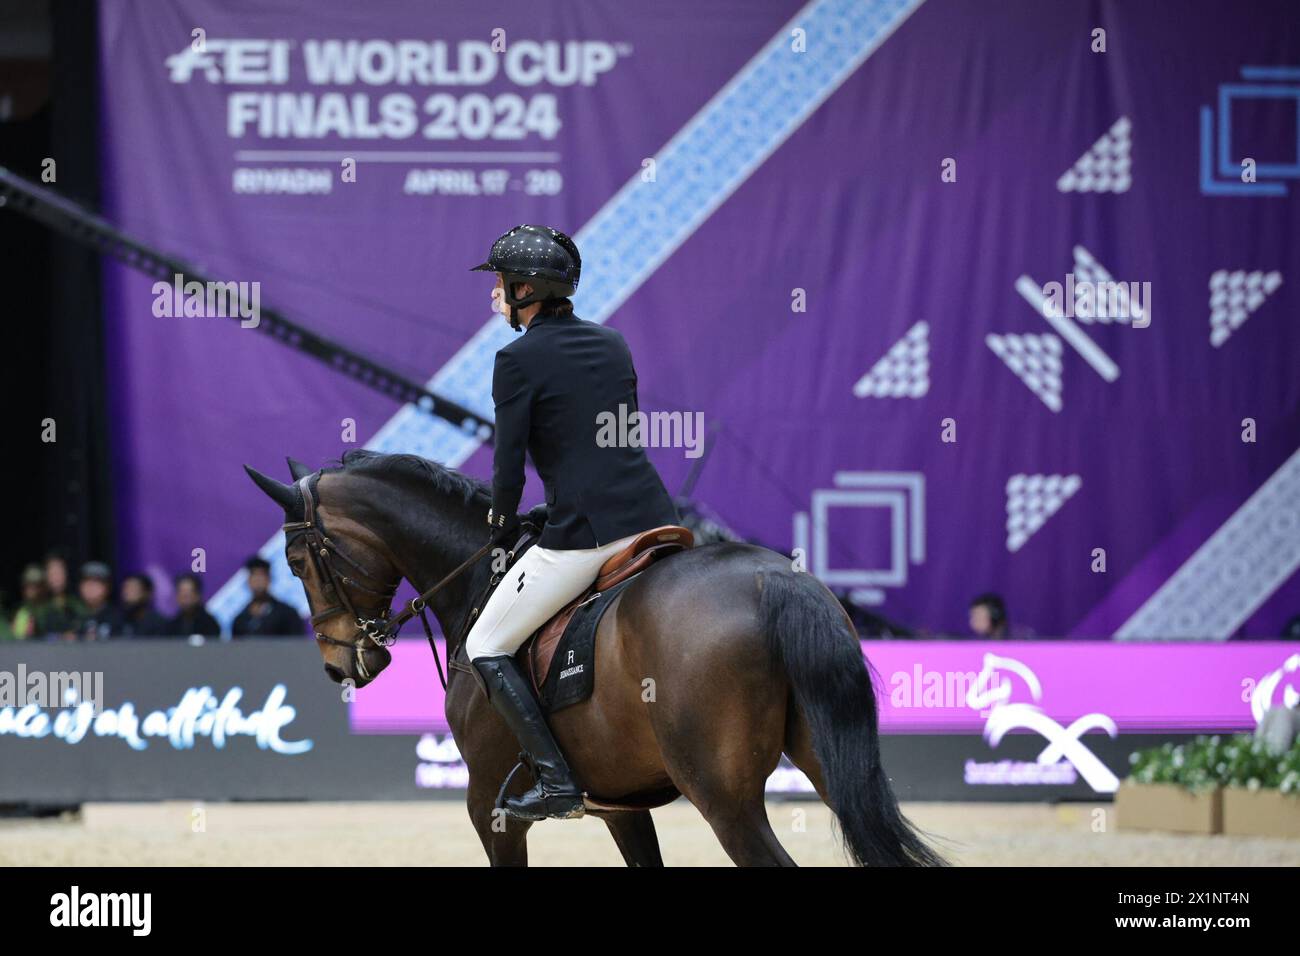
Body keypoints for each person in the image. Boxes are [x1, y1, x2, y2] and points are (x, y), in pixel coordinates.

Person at [463, 225, 680, 821]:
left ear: (524, 288)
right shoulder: (613, 343)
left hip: (588, 536)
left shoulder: (515, 359)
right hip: (654, 519)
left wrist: (501, 531)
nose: (494, 297)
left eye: (500, 286)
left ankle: (557, 783)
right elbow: (605, 444)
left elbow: (508, 470)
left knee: (485, 643)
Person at [232, 557, 305, 637]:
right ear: (248, 581)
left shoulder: (288, 615)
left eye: (261, 576)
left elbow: (297, 645)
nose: (258, 581)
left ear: (269, 579)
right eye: (254, 576)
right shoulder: (240, 620)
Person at [42, 552, 85, 638]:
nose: (56, 577)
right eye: (52, 573)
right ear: (45, 576)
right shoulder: (38, 607)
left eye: (59, 572)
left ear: (66, 574)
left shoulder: (77, 605)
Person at [165, 573, 221, 638]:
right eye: (182, 593)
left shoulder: (210, 624)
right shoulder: (172, 626)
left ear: (198, 595)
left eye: (188, 593)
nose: (185, 597)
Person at [75, 561, 120, 640]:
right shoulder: (73, 614)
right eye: (86, 582)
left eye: (95, 583)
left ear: (107, 587)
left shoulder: (117, 617)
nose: (90, 588)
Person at [9, 564, 49, 639]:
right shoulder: (21, 612)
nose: (33, 590)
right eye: (29, 585)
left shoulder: (50, 609)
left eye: (37, 585)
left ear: (43, 587)